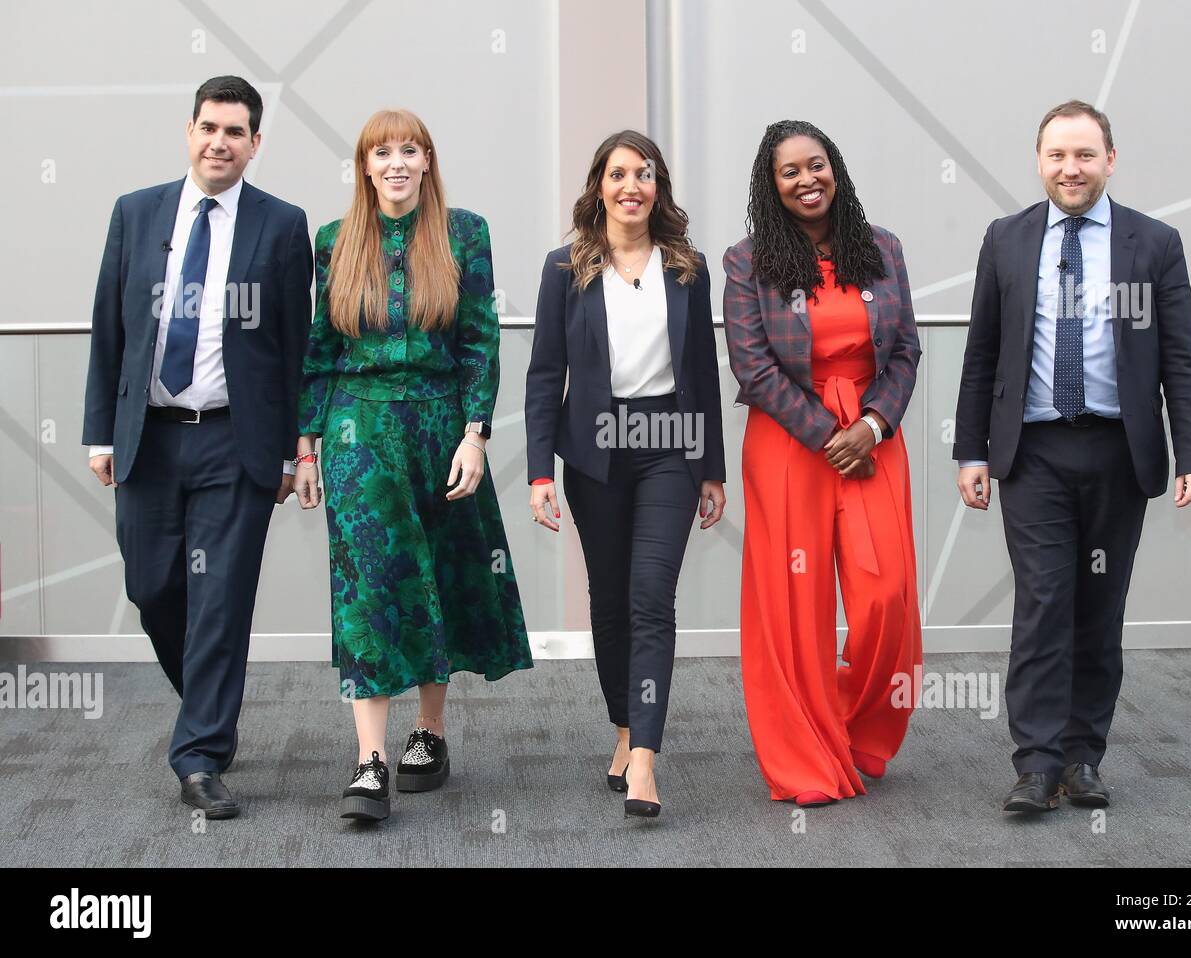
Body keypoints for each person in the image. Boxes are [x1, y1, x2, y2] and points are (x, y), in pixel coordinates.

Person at [953, 100, 1191, 813]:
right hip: (1032, 453)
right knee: (1043, 602)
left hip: (1117, 453)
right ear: (1040, 162)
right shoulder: (1005, 240)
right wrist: (970, 450)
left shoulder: (1153, 243)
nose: (1071, 168)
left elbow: (1181, 360)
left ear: (1110, 160)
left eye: (1085, 155)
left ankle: (1082, 757)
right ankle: (1035, 763)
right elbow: (982, 354)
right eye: (1058, 155)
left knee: (1098, 607)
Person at [82, 76, 312, 819]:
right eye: (209, 128)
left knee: (220, 600)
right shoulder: (136, 212)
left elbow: (292, 347)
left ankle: (200, 752)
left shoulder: (281, 226)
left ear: (255, 143)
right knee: (152, 589)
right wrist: (98, 431)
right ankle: (209, 706)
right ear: (190, 132)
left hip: (233, 444)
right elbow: (108, 332)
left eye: (236, 132)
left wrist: (288, 453)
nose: (220, 142)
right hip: (147, 438)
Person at [294, 109, 532, 823]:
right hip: (357, 431)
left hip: (440, 426)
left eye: (410, 150)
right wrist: (306, 445)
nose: (396, 162)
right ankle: (368, 761)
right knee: (368, 586)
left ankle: (429, 732)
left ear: (427, 161)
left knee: (441, 574)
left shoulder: (466, 234)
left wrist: (476, 434)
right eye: (381, 152)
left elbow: (480, 341)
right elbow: (320, 350)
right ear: (365, 167)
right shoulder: (334, 243)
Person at [525, 130, 726, 819]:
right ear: (600, 186)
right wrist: (538, 473)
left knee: (650, 594)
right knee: (609, 602)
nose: (631, 186)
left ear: (658, 189)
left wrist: (712, 470)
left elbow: (702, 370)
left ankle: (644, 758)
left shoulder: (688, 268)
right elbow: (545, 373)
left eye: (644, 174)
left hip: (670, 442)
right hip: (594, 452)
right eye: (619, 174)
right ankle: (622, 726)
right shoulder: (565, 269)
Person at [723, 120, 923, 808]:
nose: (807, 180)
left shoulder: (884, 249)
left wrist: (869, 426)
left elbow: (906, 353)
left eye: (817, 165)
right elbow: (751, 365)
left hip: (874, 441)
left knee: (886, 595)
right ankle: (803, 751)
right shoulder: (748, 261)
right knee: (792, 607)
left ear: (834, 169)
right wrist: (823, 432)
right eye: (790, 172)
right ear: (770, 185)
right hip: (788, 443)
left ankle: (854, 725)